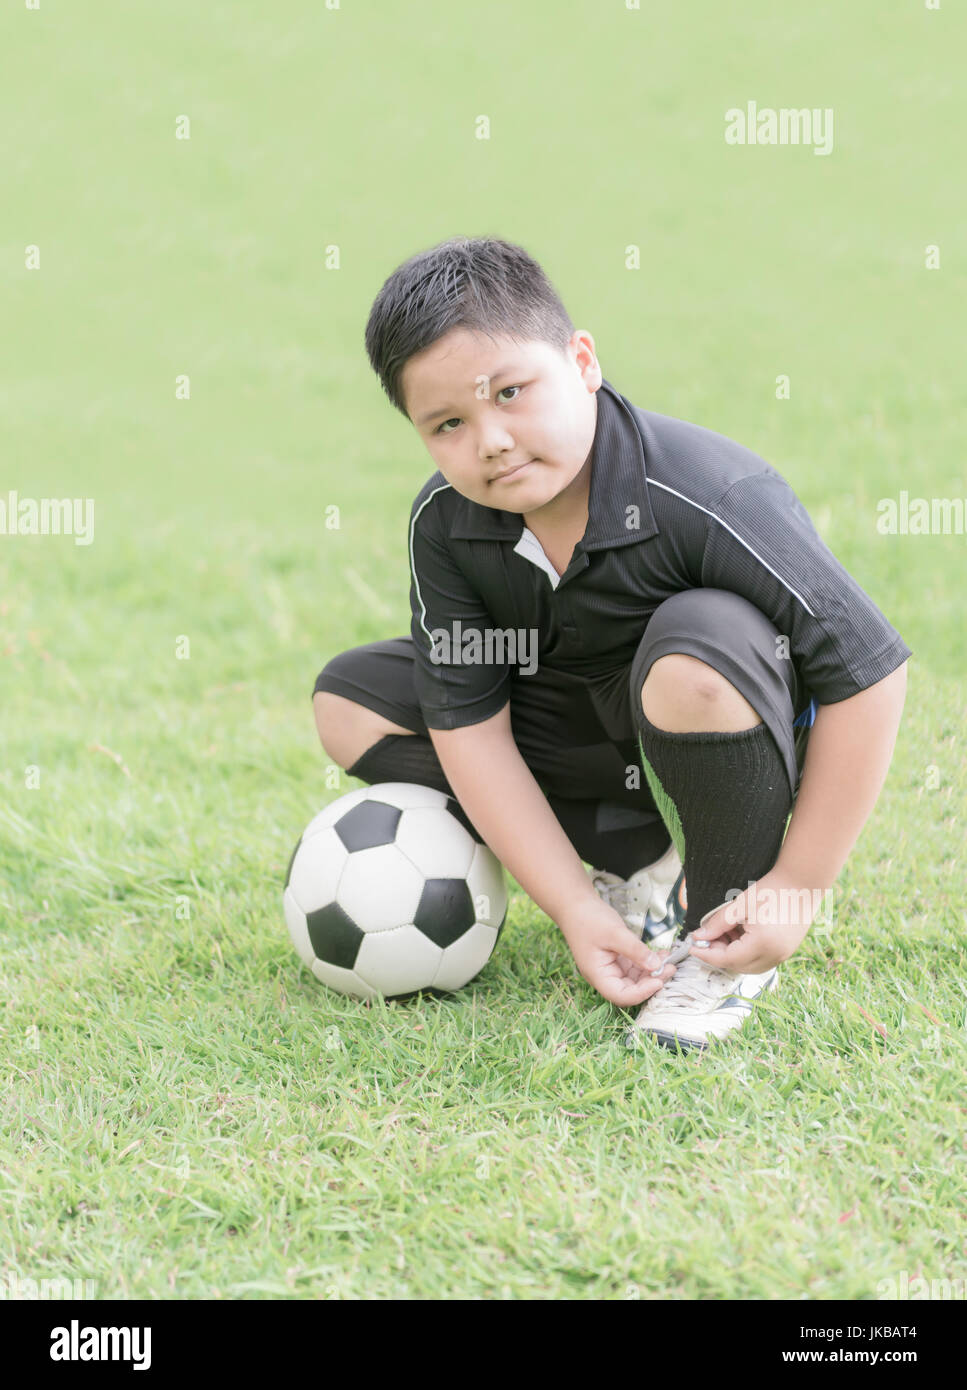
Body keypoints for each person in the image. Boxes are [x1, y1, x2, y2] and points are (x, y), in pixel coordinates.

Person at [312, 235, 911, 1053]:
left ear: (582, 361)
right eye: (448, 423)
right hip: (580, 731)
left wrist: (798, 886)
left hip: (724, 728)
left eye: (512, 392)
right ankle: (628, 866)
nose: (489, 439)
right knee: (349, 705)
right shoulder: (446, 523)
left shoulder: (704, 489)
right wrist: (573, 909)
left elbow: (866, 673)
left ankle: (722, 935)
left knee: (693, 653)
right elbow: (468, 728)